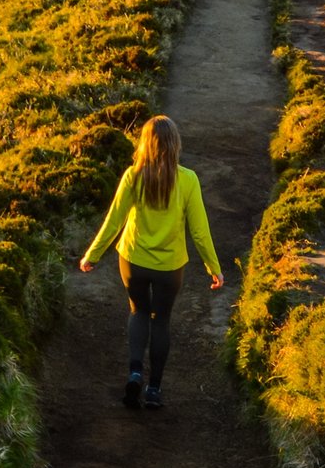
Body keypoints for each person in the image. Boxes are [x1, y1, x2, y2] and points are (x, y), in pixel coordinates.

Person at [78, 115, 222, 410]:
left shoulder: (134, 175)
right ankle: (154, 388)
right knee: (162, 320)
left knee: (138, 312)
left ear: (145, 143)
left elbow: (114, 220)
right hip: (170, 266)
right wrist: (213, 267)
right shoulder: (188, 180)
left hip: (133, 260)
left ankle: (134, 372)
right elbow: (199, 230)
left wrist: (92, 254)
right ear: (175, 144)